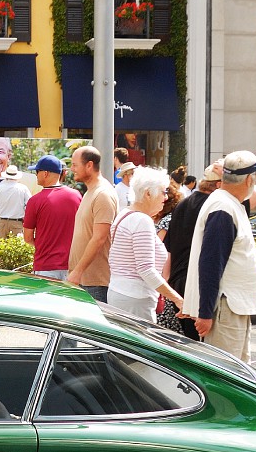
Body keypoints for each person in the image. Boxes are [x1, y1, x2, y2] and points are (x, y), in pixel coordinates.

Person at [183, 150, 256, 361]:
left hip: (231, 306)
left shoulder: (227, 203)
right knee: (226, 375)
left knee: (238, 373)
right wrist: (204, 313)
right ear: (249, 179)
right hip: (225, 307)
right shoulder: (223, 207)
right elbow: (211, 264)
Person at [107, 167, 185, 324]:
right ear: (148, 193)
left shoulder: (125, 214)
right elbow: (146, 270)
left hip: (122, 293)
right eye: (163, 192)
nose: (165, 197)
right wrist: (177, 299)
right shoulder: (142, 221)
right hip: (136, 298)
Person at [163, 160, 222, 339]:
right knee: (203, 347)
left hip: (178, 282)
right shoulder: (214, 207)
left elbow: (169, 249)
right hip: (198, 284)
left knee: (190, 343)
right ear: (219, 184)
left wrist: (167, 284)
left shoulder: (184, 203)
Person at [66, 145, 117, 302]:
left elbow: (99, 238)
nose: (71, 169)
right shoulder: (91, 191)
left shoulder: (102, 194)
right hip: (85, 280)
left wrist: (78, 271)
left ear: (89, 165)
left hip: (95, 282)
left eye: (75, 165)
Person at [22, 155, 81, 280]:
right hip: (73, 266)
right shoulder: (76, 196)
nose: (36, 175)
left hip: (45, 266)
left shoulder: (35, 201)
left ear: (45, 173)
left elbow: (27, 237)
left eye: (37, 172)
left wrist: (44, 245)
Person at [0, 164, 29, 238]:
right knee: (17, 247)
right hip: (17, 222)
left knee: (1, 247)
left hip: (2, 222)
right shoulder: (23, 189)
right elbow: (29, 205)